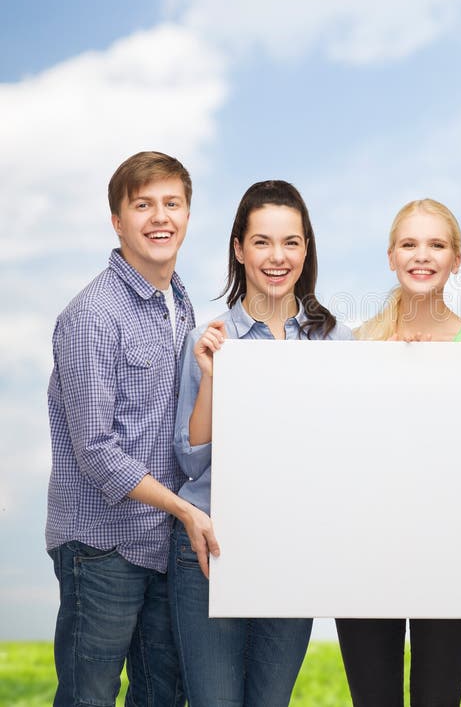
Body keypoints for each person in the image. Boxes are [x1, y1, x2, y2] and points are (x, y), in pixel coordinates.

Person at [169, 179, 352, 707]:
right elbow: (190, 458)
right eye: (263, 242)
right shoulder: (209, 339)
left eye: (291, 242)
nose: (278, 256)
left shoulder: (336, 342)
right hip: (210, 547)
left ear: (306, 249)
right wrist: (210, 376)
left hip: (292, 549)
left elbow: (349, 452)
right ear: (239, 249)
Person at [46, 151, 218, 707]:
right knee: (88, 698)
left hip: (162, 546)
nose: (159, 217)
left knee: (161, 697)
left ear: (188, 215)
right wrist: (188, 509)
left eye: (172, 204)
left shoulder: (181, 303)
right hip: (101, 546)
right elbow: (96, 451)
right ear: (117, 220)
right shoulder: (92, 315)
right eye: (143, 205)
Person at [335, 198, 461, 707]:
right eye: (409, 244)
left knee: (438, 698)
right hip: (368, 554)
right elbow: (343, 459)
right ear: (390, 256)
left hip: (451, 555)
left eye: (436, 244)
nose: (421, 256)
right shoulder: (355, 347)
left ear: (456, 259)